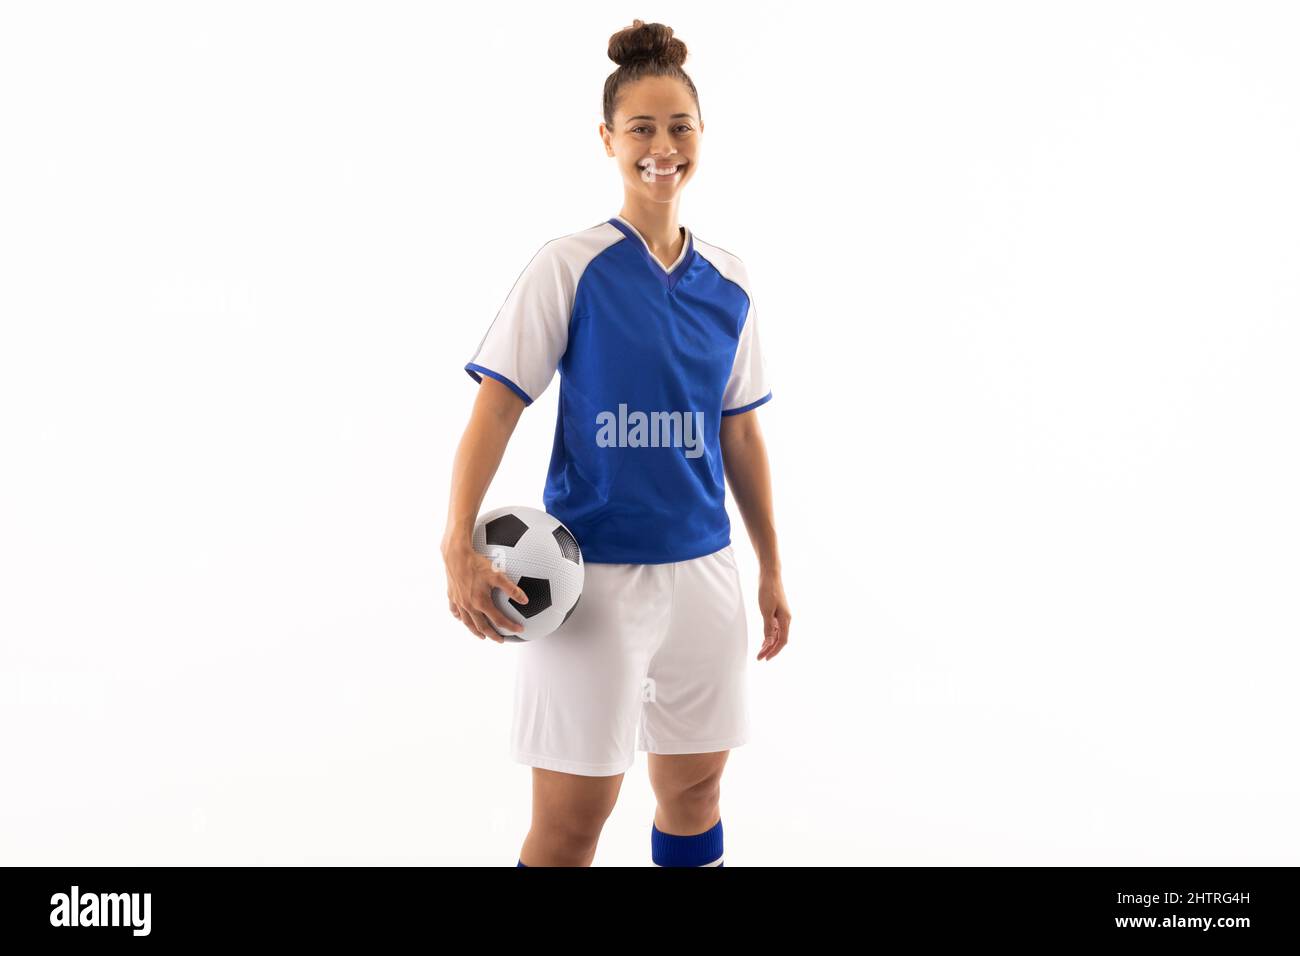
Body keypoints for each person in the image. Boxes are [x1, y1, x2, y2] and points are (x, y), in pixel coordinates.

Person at [441, 19, 791, 867]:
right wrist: (458, 538)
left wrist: (771, 566)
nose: (662, 147)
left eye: (680, 127)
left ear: (701, 137)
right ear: (608, 139)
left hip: (705, 573)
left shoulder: (733, 283)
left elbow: (740, 432)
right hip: (587, 582)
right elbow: (497, 407)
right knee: (572, 823)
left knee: (695, 794)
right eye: (641, 128)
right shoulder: (571, 266)